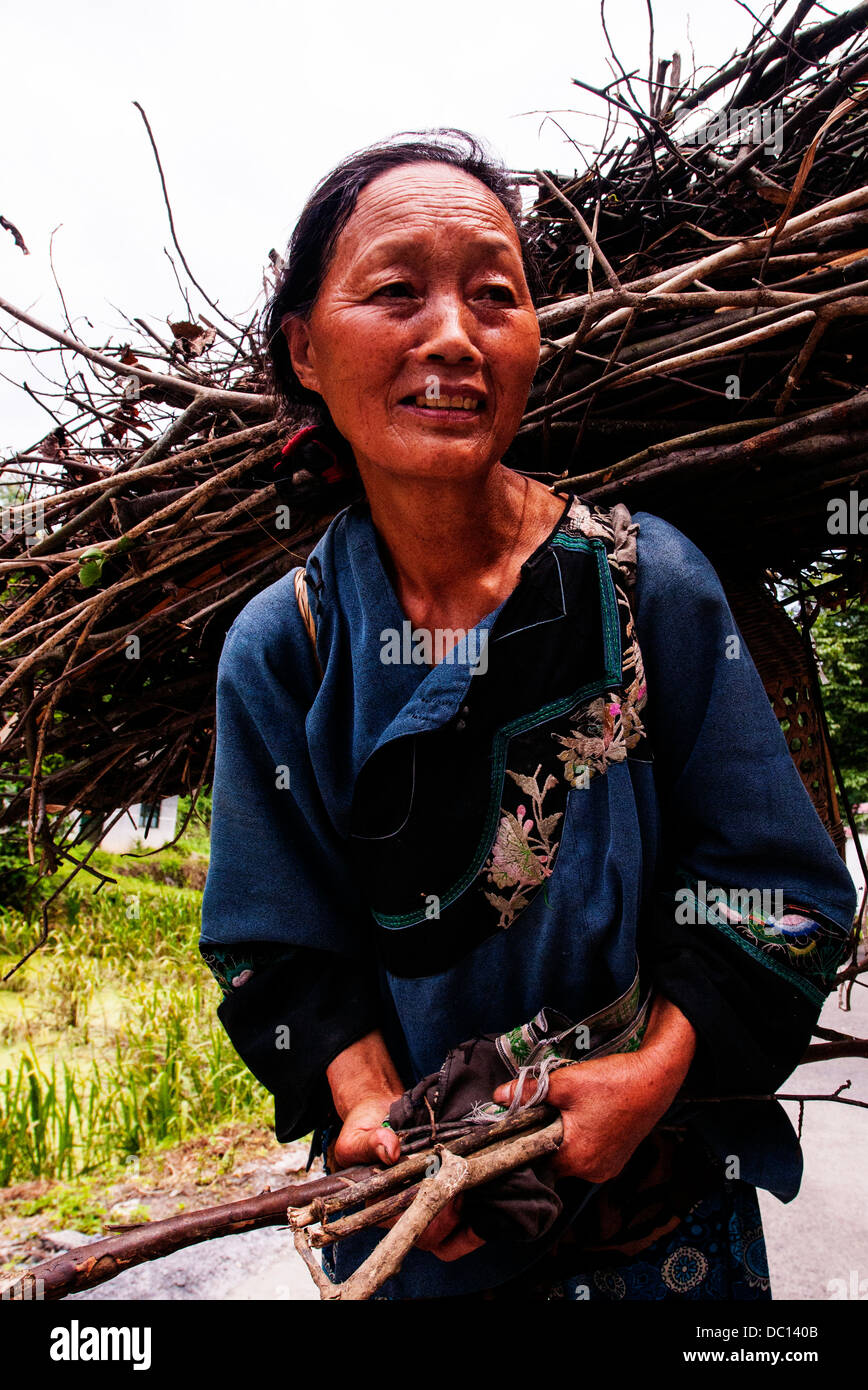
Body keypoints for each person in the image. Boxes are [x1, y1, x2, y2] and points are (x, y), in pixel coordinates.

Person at [199, 129, 857, 1300]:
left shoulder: (648, 585)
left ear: (533, 339)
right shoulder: (285, 650)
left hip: (664, 1240)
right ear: (305, 347)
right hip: (419, 1236)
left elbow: (784, 894)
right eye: (396, 291)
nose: (452, 336)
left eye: (494, 296)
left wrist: (652, 1074)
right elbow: (275, 954)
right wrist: (366, 1114)